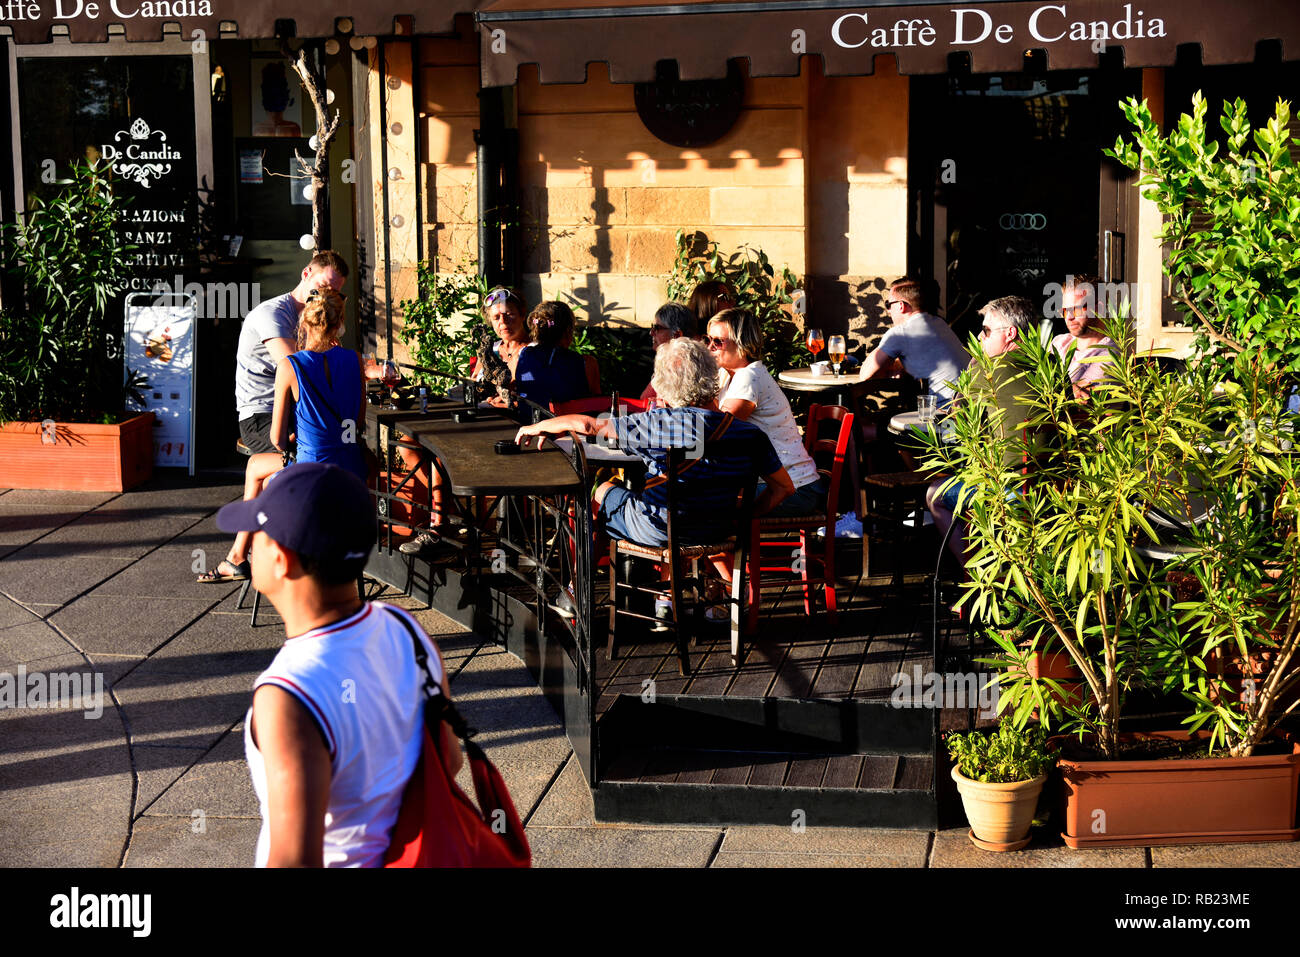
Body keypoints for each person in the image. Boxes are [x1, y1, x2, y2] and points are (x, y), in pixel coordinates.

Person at [219, 461, 462, 866]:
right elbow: (449, 760)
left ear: (280, 558)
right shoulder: (406, 631)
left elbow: (295, 860)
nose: (247, 546)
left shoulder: (288, 694)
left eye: (255, 535)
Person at [515, 338, 795, 547]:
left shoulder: (659, 423)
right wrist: (742, 518)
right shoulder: (749, 434)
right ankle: (670, 594)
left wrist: (539, 425)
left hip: (658, 528)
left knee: (598, 487)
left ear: (664, 385)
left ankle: (580, 591)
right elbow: (783, 487)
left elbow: (590, 426)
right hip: (719, 529)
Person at [202, 289, 366, 582]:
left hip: (313, 469)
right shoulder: (355, 360)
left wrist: (296, 437)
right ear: (340, 322)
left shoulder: (291, 366)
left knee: (256, 468)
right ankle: (244, 556)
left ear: (303, 322)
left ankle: (240, 556)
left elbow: (277, 438)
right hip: (352, 467)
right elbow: (358, 423)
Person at [926, 295, 1037, 565]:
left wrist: (972, 371)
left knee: (935, 494)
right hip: (1053, 490)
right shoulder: (1053, 367)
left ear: (1010, 334)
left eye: (986, 330)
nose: (979, 336)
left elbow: (957, 428)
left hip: (1007, 491)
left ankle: (980, 578)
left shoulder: (984, 373)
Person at [708, 307, 825, 517]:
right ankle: (724, 548)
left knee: (704, 502)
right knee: (700, 496)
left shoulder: (748, 377)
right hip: (777, 482)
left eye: (718, 341)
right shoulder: (727, 376)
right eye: (709, 340)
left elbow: (719, 432)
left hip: (795, 488)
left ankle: (732, 548)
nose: (710, 347)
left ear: (742, 344)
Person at [235, 249, 349, 454]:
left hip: (300, 409)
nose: (325, 296)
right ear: (306, 274)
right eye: (322, 287)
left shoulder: (318, 321)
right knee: (319, 450)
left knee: (353, 447)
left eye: (334, 293)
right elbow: (299, 369)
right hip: (263, 415)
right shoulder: (272, 314)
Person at [859, 277, 971, 408]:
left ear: (901, 306)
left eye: (888, 305)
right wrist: (901, 366)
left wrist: (892, 367)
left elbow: (865, 375)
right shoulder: (939, 323)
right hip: (970, 413)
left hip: (943, 416)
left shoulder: (901, 332)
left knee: (872, 424)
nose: (888, 311)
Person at [513, 300, 600, 411]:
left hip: (529, 424)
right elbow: (597, 404)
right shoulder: (586, 363)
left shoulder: (524, 356)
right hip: (568, 425)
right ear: (568, 331)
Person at [1052, 274, 1116, 401]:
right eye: (1065, 311)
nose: (1069, 317)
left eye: (1077, 309)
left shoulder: (1110, 354)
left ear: (1099, 309)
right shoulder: (1059, 342)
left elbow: (1080, 399)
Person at [640, 301, 697, 404]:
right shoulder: (667, 363)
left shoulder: (683, 369)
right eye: (652, 327)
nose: (651, 332)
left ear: (677, 335)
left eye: (657, 328)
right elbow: (645, 400)